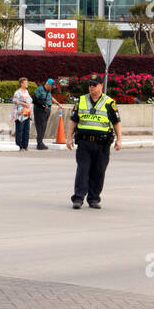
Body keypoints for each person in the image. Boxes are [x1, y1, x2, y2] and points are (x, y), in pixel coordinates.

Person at [66, 76, 122, 209]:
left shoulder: (109, 102)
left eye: (94, 84)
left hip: (102, 144)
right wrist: (69, 138)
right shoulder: (81, 100)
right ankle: (78, 198)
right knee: (82, 170)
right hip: (84, 143)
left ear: (101, 86)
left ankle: (94, 199)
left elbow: (116, 122)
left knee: (99, 172)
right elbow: (73, 120)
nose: (91, 87)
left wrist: (119, 139)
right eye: (90, 84)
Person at [31, 78, 56, 149]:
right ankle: (39, 143)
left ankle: (40, 141)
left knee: (44, 126)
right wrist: (43, 104)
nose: (52, 88)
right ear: (47, 84)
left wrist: (57, 103)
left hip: (47, 110)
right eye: (51, 86)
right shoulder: (40, 89)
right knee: (40, 126)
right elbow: (34, 99)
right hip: (39, 110)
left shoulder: (49, 90)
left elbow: (50, 98)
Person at [11, 78, 33, 151]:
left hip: (26, 113)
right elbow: (14, 101)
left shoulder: (26, 91)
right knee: (19, 130)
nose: (27, 84)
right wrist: (23, 103)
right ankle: (19, 146)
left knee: (26, 130)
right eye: (25, 83)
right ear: (21, 84)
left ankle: (25, 146)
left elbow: (29, 100)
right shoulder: (17, 92)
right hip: (20, 113)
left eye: (27, 82)